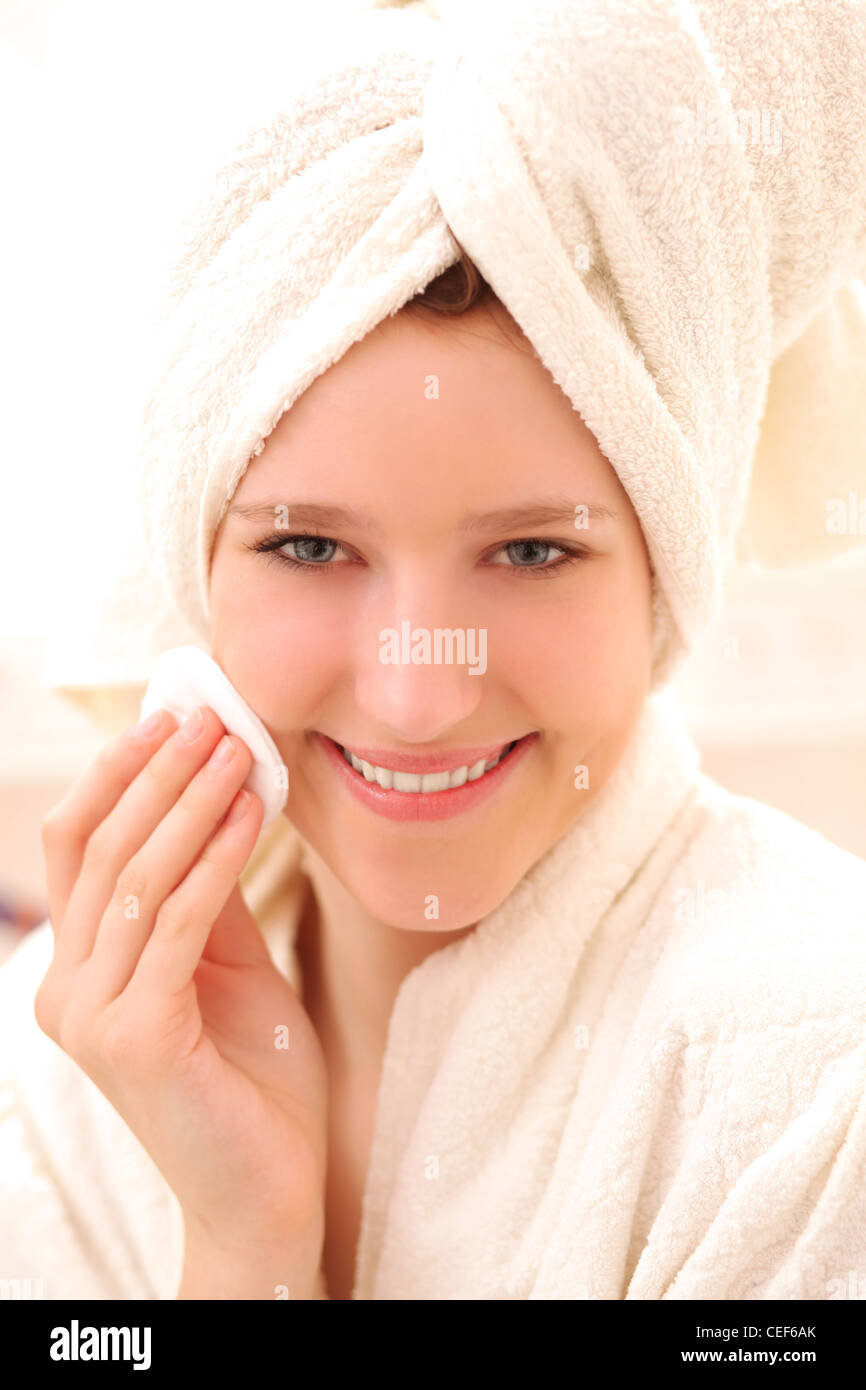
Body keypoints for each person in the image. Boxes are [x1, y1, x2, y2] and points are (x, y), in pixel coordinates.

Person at [2, 0, 866, 1301]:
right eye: (306, 547)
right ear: (194, 572)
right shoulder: (59, 1068)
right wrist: (243, 1248)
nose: (413, 691)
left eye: (529, 552)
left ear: (659, 576)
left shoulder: (814, 1071)